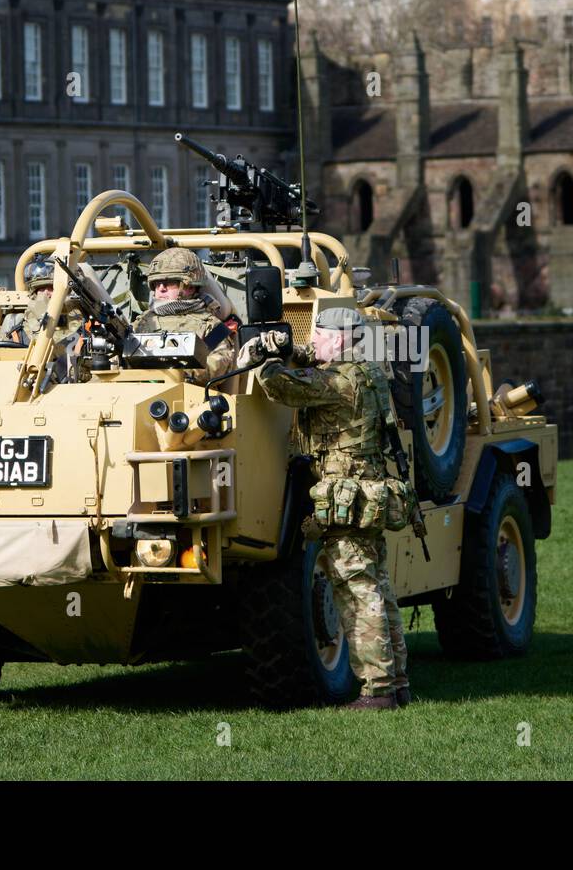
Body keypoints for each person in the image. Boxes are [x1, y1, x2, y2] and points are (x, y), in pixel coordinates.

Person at [241, 307, 411, 710]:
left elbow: (283, 388)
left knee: (356, 591)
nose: (312, 341)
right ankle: (395, 681)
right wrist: (293, 350)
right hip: (367, 491)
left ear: (338, 339)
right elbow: (311, 365)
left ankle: (378, 690)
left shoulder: (337, 382)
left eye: (317, 335)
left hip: (345, 495)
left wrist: (259, 359)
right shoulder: (368, 372)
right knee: (378, 587)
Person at [130, 247, 235, 384]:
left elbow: (219, 363)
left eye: (169, 282)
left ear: (189, 287)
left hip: (190, 396)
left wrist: (184, 374)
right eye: (156, 283)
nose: (161, 288)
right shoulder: (141, 322)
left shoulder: (211, 325)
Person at [0, 258, 84, 348]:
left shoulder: (84, 325)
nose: (46, 293)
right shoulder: (18, 331)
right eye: (41, 288)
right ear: (34, 293)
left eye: (52, 287)